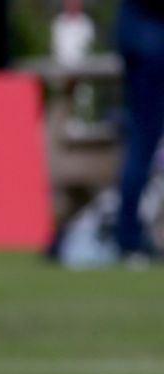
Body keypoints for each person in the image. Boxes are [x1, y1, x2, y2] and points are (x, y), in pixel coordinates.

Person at [116, 0, 164, 259]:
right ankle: (128, 235)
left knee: (139, 141)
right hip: (150, 44)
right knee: (142, 143)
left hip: (135, 38)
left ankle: (128, 231)